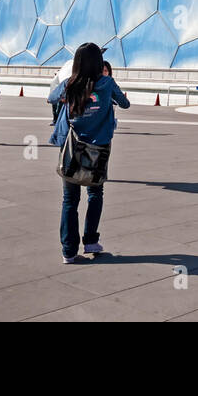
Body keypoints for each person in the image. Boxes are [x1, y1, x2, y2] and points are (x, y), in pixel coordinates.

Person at [49, 42, 130, 264]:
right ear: (98, 63)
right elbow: (125, 104)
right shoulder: (107, 83)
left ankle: (68, 251)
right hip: (99, 149)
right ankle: (91, 241)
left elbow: (52, 98)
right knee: (95, 194)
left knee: (70, 200)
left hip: (73, 148)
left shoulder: (69, 83)